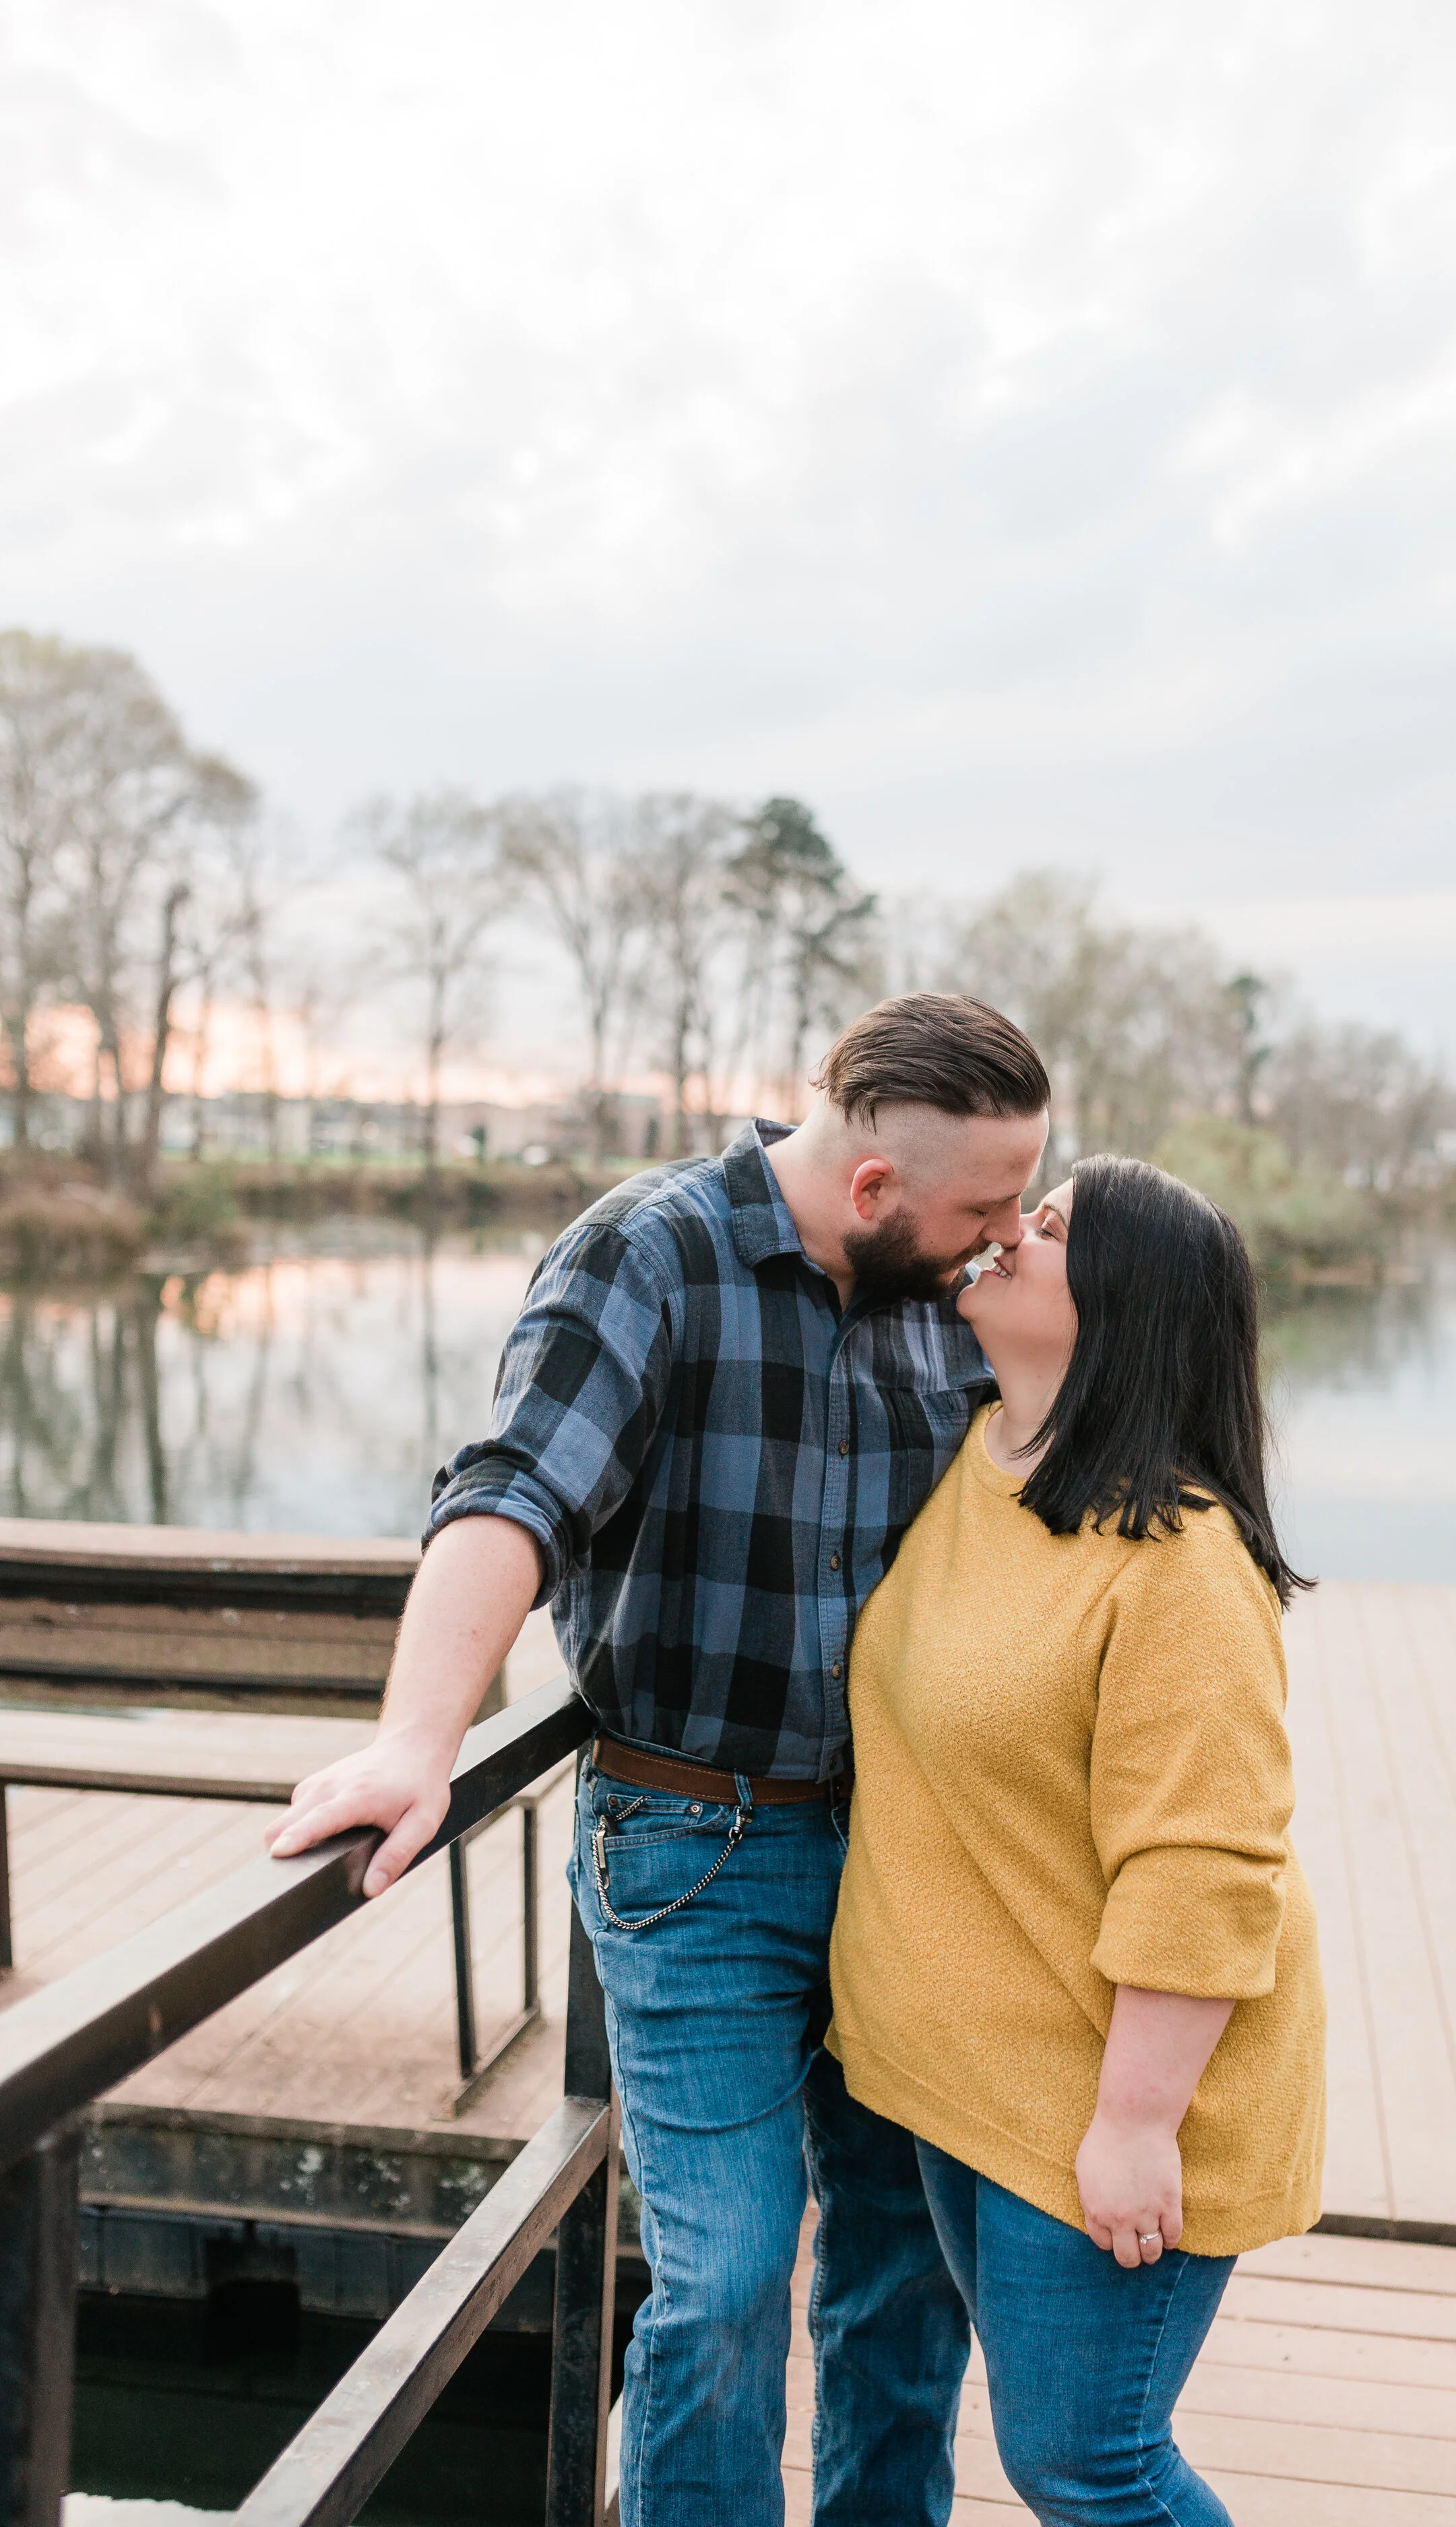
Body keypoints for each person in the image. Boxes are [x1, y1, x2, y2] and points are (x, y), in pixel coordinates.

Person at [266, 991, 1052, 2527]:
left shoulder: (950, 1286)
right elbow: (512, 1495)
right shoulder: (650, 1250)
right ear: (875, 1189)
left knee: (905, 2261)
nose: (1008, 1234)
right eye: (989, 1203)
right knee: (730, 2267)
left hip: (914, 1864)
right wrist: (417, 1743)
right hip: (695, 1850)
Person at [827, 1155, 1327, 2527]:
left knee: (1080, 2463)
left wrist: (1132, 2123)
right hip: (962, 2071)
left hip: (1102, 2099)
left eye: (1044, 1228)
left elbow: (1206, 1866)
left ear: (1119, 1304)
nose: (1004, 1234)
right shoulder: (974, 1459)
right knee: (1052, 2446)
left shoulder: (1175, 1559)